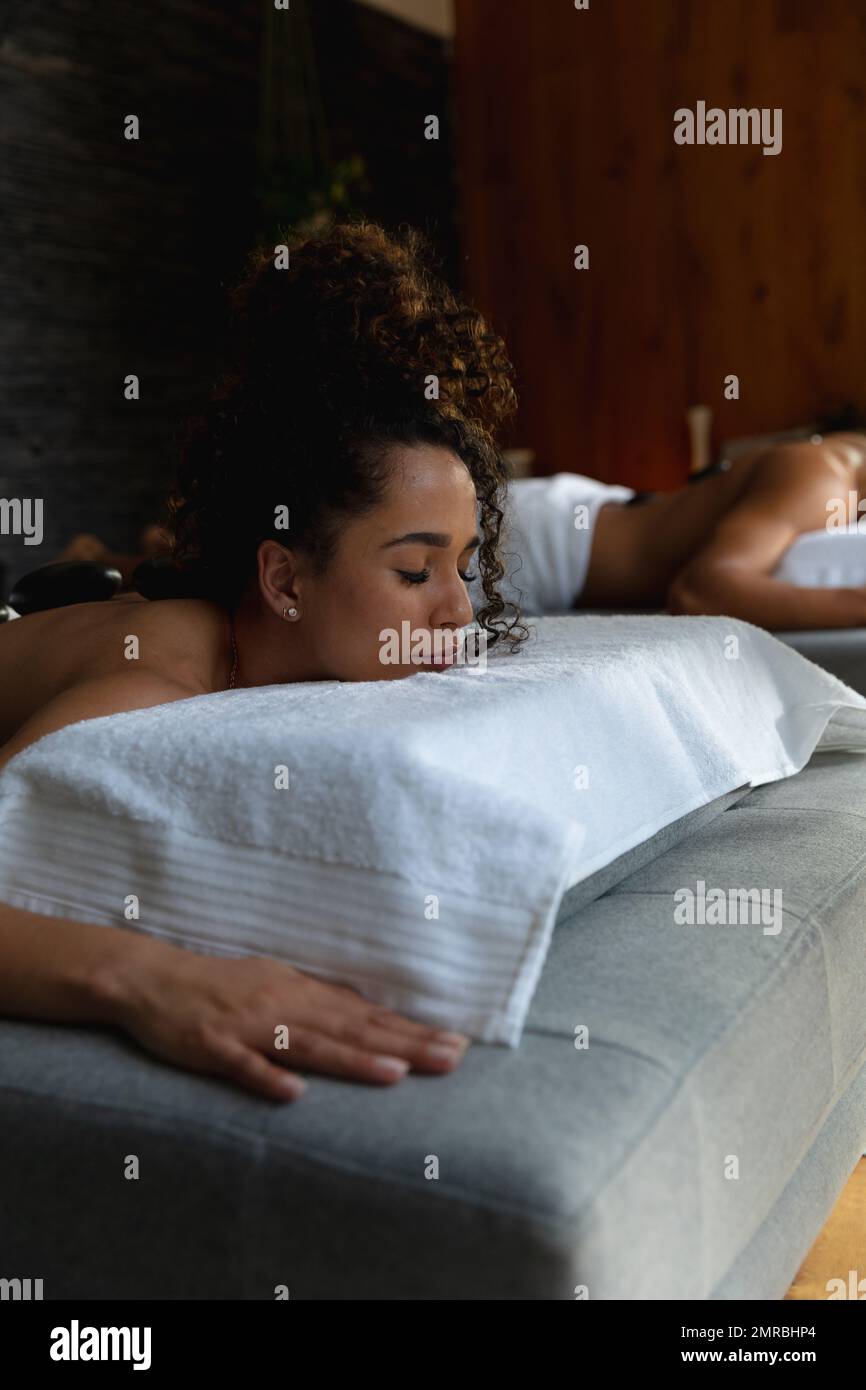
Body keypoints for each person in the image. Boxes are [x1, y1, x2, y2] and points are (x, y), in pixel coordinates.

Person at [0, 221, 528, 1103]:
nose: (460, 610)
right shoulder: (148, 684)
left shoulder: (251, 653)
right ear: (284, 577)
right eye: (413, 570)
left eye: (465, 566)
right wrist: (152, 981)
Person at [489, 438, 866, 628]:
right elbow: (700, 591)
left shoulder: (841, 467)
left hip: (582, 513)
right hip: (534, 538)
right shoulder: (825, 481)